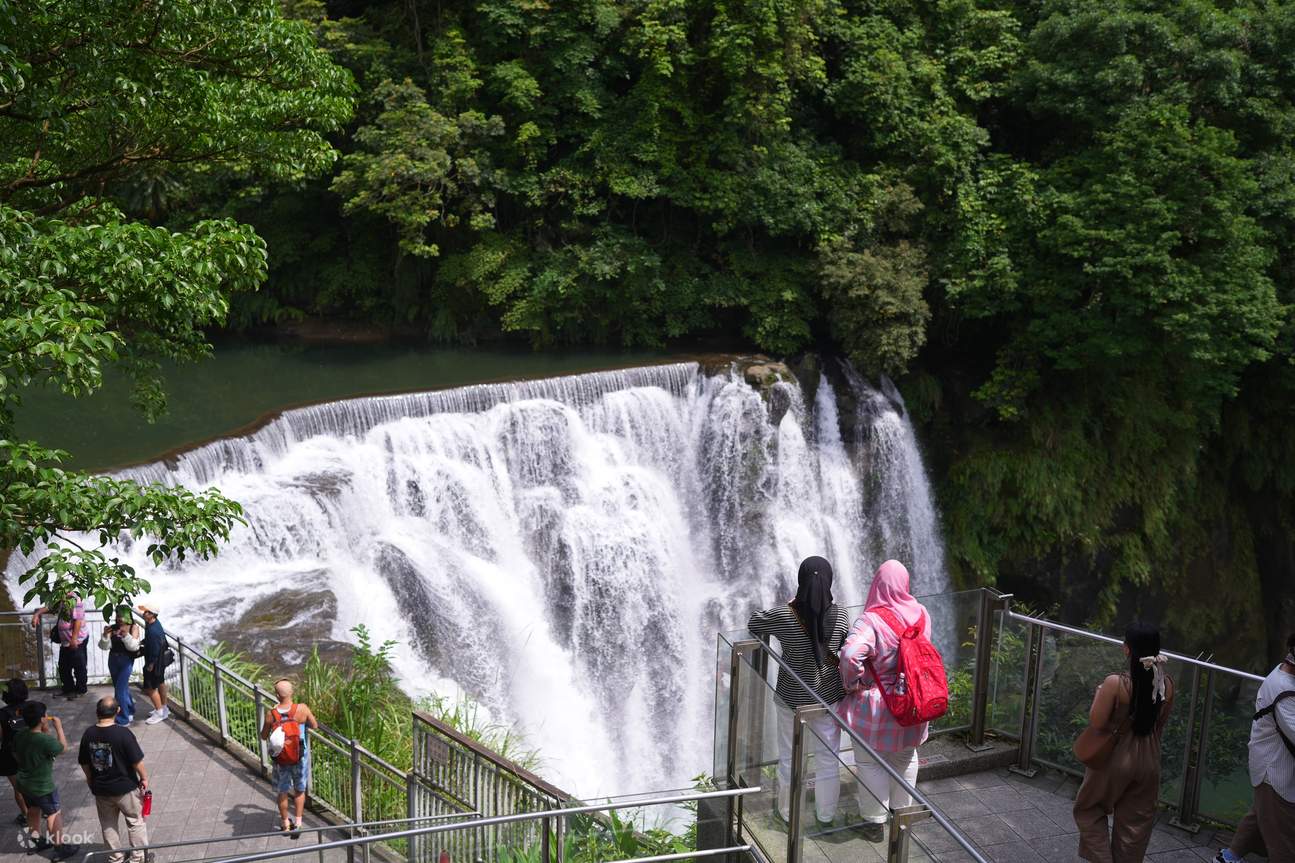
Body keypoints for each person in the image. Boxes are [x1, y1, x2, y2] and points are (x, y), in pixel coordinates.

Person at [748, 555, 851, 827]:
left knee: (789, 757)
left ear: (800, 581)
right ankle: (825, 817)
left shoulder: (784, 615)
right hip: (828, 698)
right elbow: (844, 643)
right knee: (828, 759)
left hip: (791, 700)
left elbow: (754, 622)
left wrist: (791, 606)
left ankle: (787, 812)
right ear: (829, 581)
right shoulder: (840, 613)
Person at [837, 560, 933, 844]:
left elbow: (850, 654)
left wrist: (854, 682)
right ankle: (902, 815)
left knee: (870, 762)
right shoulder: (921, 613)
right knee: (905, 756)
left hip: (878, 705)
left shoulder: (872, 620)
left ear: (877, 584)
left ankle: (874, 822)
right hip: (913, 700)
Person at [1072, 622, 1174, 863]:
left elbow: (1097, 723)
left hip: (1116, 758)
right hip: (1149, 759)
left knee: (1089, 809)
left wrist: (1100, 694)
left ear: (1127, 649)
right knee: (1135, 825)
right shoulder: (1166, 684)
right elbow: (1159, 724)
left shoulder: (1115, 684)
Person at [1216, 631, 1295, 863]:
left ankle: (1229, 858)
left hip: (1272, 766)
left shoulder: (1285, 674)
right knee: (1285, 843)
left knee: (1262, 815)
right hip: (1276, 770)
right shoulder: (1284, 691)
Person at [80, 696, 149, 863]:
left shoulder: (88, 734)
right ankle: (138, 858)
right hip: (126, 788)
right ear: (118, 711)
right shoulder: (123, 733)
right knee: (135, 821)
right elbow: (136, 761)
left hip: (102, 789)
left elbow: (84, 762)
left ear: (97, 712)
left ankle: (115, 857)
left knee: (108, 824)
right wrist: (144, 778)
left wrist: (90, 780)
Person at [13, 701, 78, 859]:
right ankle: (59, 848)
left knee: (33, 811)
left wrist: (45, 730)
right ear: (42, 719)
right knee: (53, 814)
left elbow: (16, 753)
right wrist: (59, 728)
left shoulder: (20, 734)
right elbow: (62, 748)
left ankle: (37, 841)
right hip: (42, 786)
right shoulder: (43, 740)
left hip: (24, 784)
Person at [259, 679, 318, 835]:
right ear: (292, 692)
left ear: (277, 695)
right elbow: (315, 725)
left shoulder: (272, 714)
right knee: (299, 790)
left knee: (283, 791)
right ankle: (298, 823)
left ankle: (285, 823)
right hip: (300, 756)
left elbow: (263, 736)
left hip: (281, 760)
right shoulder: (302, 709)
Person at [32, 594, 88, 698]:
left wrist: (74, 638)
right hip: (66, 641)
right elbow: (50, 607)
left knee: (79, 666)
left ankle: (81, 691)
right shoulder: (62, 599)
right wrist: (37, 614)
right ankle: (68, 689)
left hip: (77, 640)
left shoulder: (75, 600)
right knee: (63, 667)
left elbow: (78, 620)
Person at [100, 607, 143, 726]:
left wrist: (125, 636)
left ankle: (122, 719)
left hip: (126, 660)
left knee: (119, 690)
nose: (119, 618)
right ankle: (130, 709)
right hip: (113, 659)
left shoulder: (134, 627)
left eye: (121, 616)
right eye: (117, 616)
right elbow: (104, 647)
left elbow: (134, 647)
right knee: (121, 688)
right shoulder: (113, 628)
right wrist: (105, 636)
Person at [1, 678, 29, 825]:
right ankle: (40, 808)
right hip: (31, 750)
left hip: (10, 755)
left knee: (18, 787)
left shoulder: (2, 714)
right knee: (34, 781)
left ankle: (26, 814)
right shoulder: (35, 706)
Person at [137, 603, 171, 724]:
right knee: (160, 682)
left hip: (154, 662)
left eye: (146, 612)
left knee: (150, 688)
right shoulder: (154, 623)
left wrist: (150, 664)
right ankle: (164, 708)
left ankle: (159, 712)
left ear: (152, 615)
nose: (143, 614)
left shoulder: (153, 631)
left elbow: (155, 650)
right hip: (160, 661)